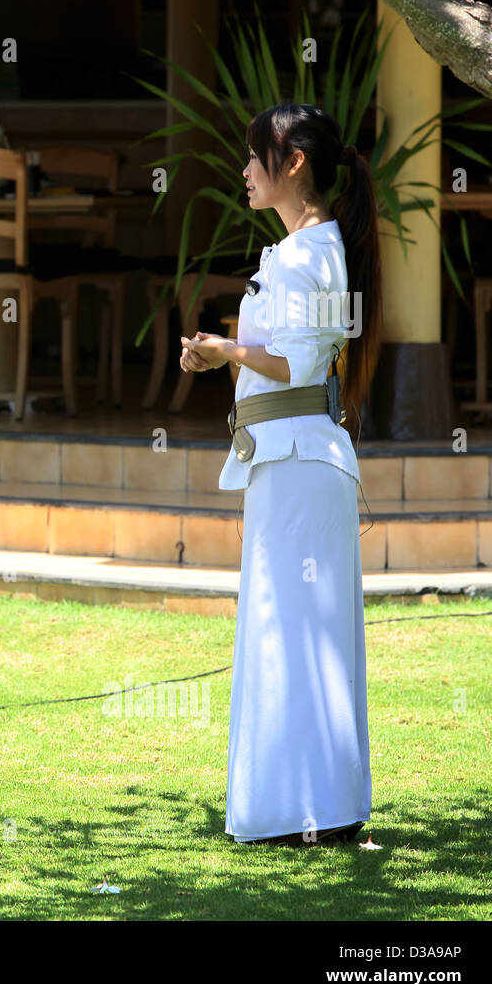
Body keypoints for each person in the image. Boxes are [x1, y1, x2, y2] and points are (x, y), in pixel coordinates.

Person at [180, 104, 381, 846]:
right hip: (295, 457)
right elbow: (289, 355)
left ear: (293, 161)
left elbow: (293, 363)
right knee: (300, 630)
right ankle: (312, 808)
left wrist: (226, 351)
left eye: (254, 156)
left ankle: (300, 810)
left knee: (289, 626)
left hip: (300, 462)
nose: (243, 170)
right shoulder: (307, 249)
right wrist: (221, 353)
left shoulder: (307, 253)